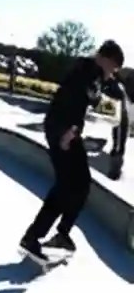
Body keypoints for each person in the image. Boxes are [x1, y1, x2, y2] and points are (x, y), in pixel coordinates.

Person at [19, 40, 125, 260]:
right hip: (64, 130)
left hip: (64, 129)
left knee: (77, 184)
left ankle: (60, 234)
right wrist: (67, 134)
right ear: (105, 59)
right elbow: (74, 101)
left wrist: (108, 83)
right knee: (69, 185)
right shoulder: (85, 72)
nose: (113, 72)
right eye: (113, 67)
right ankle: (36, 236)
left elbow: (93, 99)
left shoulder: (92, 73)